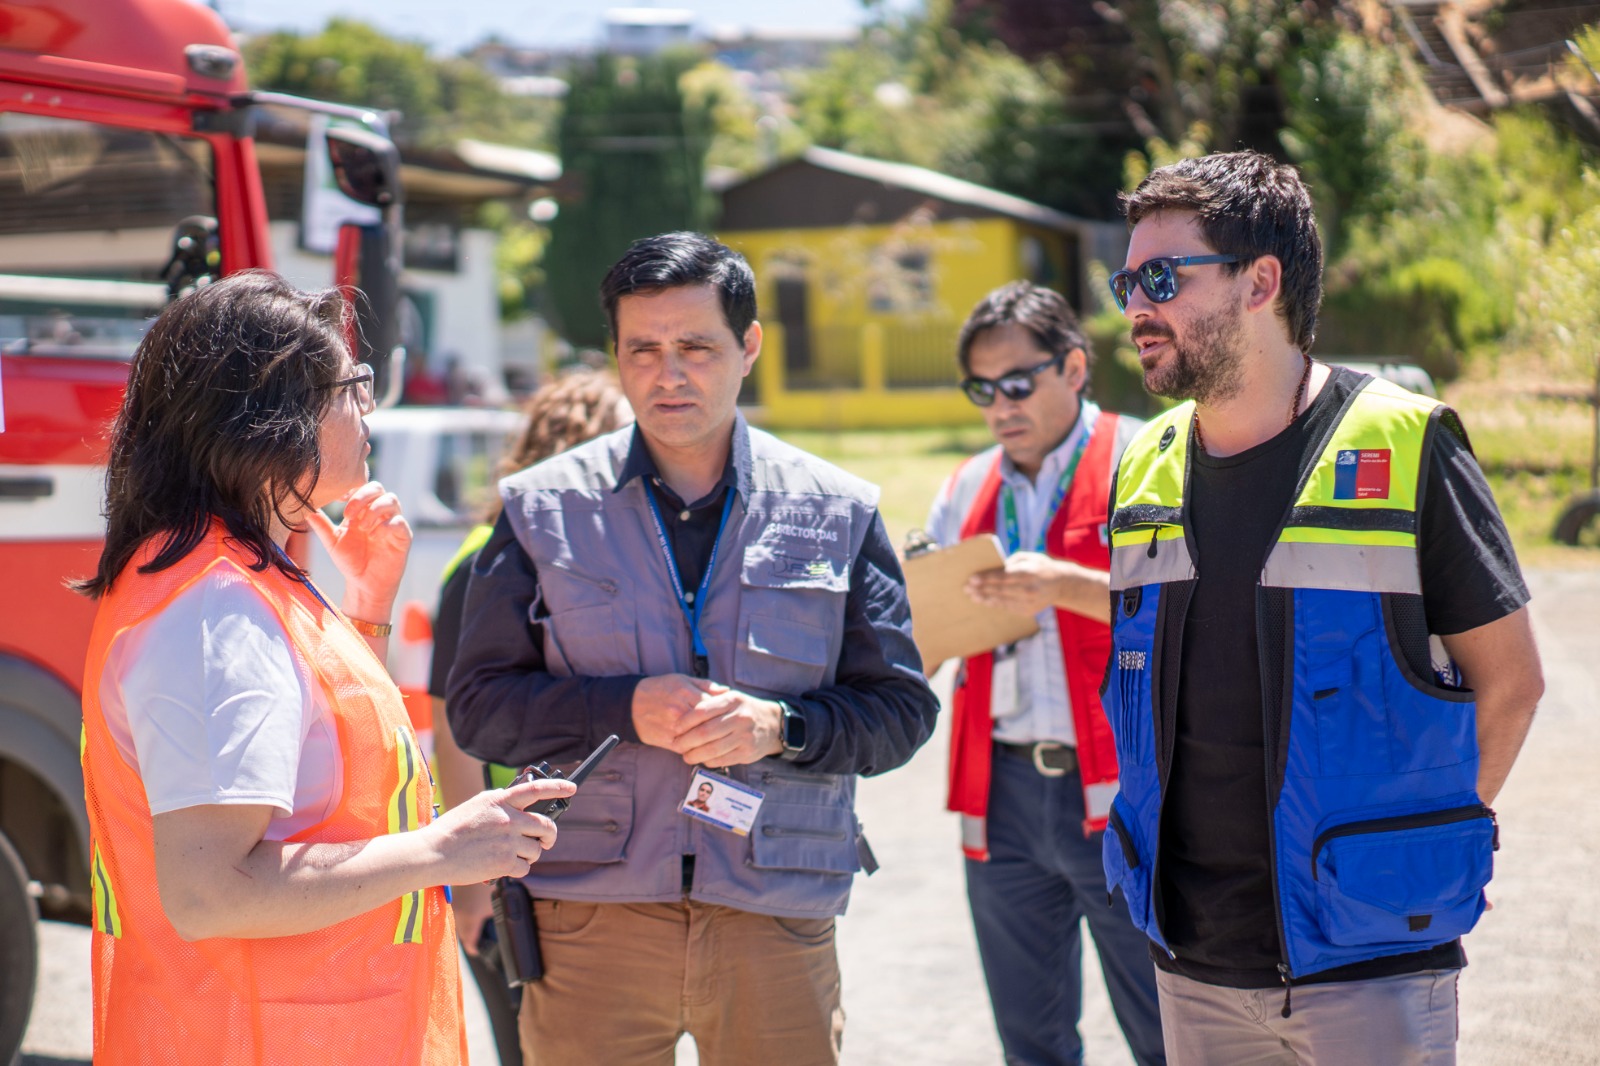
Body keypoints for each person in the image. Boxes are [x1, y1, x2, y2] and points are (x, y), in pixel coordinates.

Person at [447, 231, 939, 1066]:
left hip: (773, 918)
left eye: (696, 347)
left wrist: (781, 727)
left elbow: (899, 711)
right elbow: (479, 709)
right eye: (644, 349)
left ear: (748, 348)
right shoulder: (540, 508)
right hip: (588, 923)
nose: (668, 373)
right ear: (617, 356)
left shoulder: (836, 508)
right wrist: (622, 709)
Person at [1100, 151, 1543, 1064]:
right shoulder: (1143, 464)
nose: (1137, 309)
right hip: (1193, 967)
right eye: (1126, 282)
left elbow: (1512, 683)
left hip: (1371, 970)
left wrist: (1419, 855)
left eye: (1161, 277)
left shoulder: (1407, 443)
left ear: (1260, 281)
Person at [75, 272, 575, 1065]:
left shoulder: (237, 582)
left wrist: (367, 606)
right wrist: (445, 848)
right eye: (353, 385)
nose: (369, 408)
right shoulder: (217, 614)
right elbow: (212, 891)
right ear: (274, 419)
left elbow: (311, 776)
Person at [925, 281, 1165, 1066]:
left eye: (1018, 383)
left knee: (1165, 1031)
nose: (1001, 406)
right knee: (1031, 1043)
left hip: (1127, 792)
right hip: (1001, 794)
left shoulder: (1147, 460)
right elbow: (917, 647)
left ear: (1073, 366)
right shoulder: (962, 488)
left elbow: (1199, 621)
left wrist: (1064, 588)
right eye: (981, 390)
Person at [425, 368, 633, 1066]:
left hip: (550, 858)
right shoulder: (492, 561)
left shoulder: (571, 558)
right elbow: (451, 730)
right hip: (508, 873)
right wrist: (472, 885)